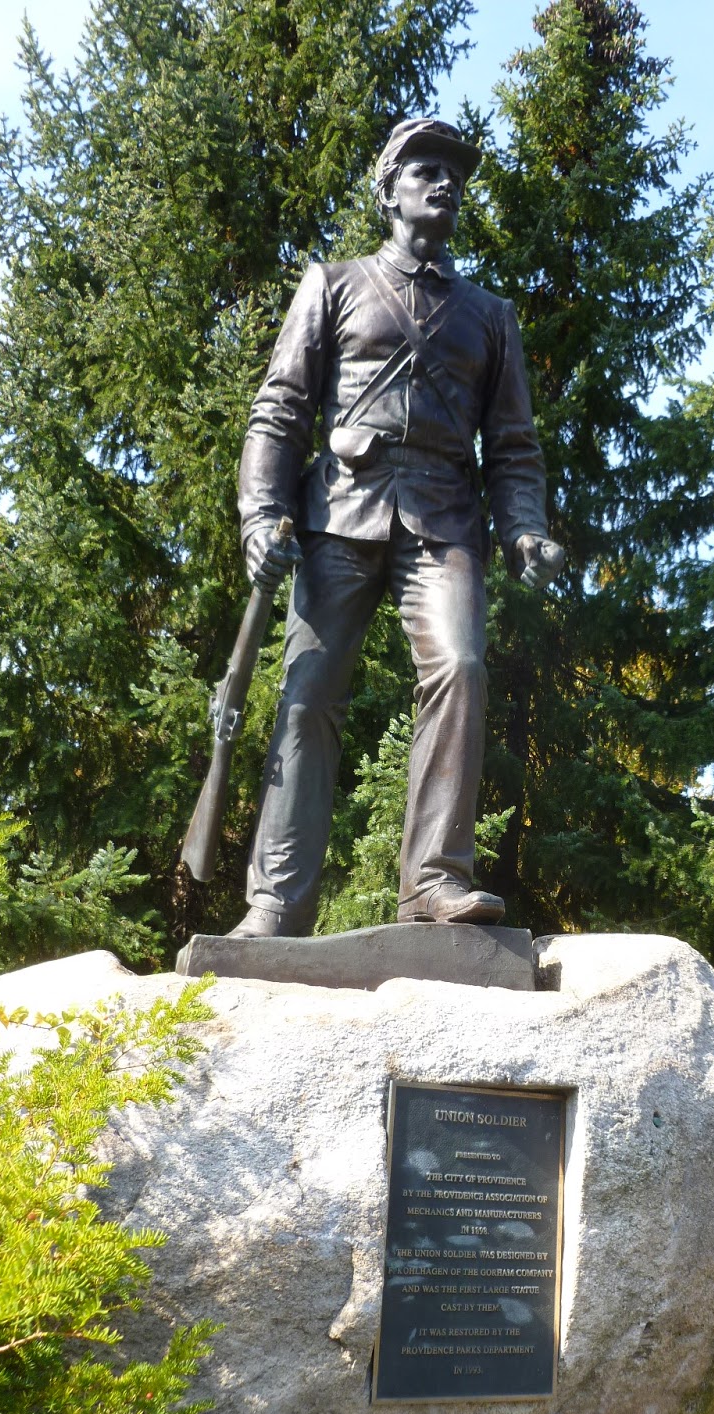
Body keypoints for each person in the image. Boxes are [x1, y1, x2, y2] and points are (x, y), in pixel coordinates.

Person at [229, 117, 563, 939]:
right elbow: (278, 412)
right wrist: (261, 514)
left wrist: (524, 530)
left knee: (462, 669)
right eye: (424, 169)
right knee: (307, 699)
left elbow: (513, 449)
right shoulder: (333, 284)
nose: (443, 182)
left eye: (453, 171)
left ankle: (436, 882)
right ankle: (276, 902)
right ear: (389, 189)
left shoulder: (490, 317)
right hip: (338, 514)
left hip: (445, 522)